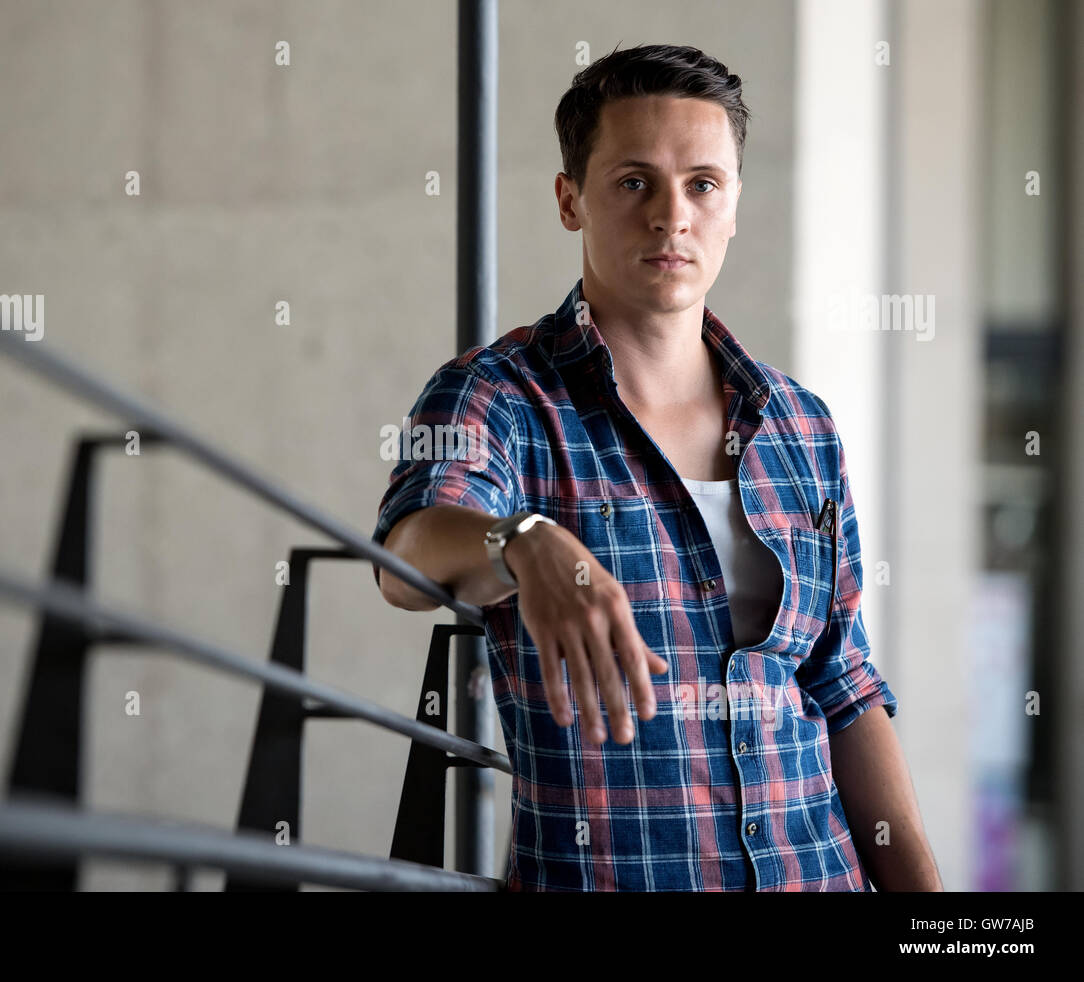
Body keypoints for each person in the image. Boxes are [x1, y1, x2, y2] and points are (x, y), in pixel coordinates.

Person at [372, 43, 941, 892]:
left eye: (703, 184)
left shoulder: (801, 424)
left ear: (735, 204)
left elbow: (844, 685)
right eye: (634, 181)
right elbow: (408, 560)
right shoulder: (498, 397)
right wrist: (524, 540)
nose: (672, 215)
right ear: (571, 200)